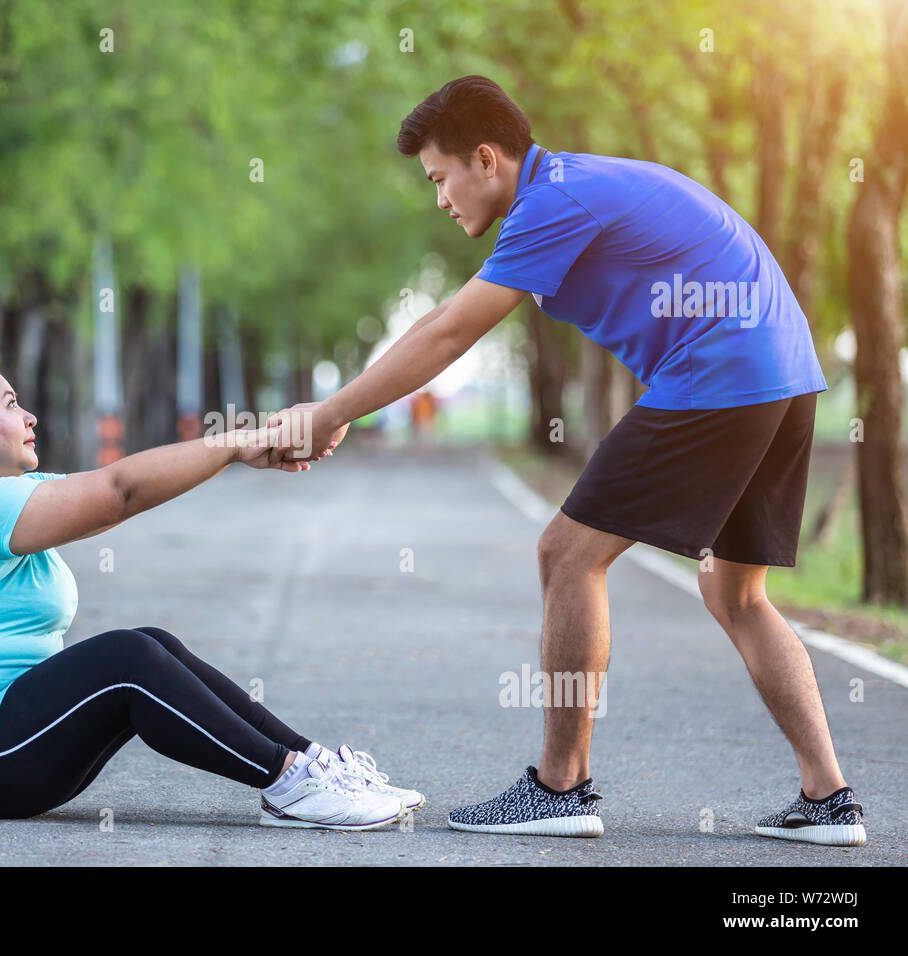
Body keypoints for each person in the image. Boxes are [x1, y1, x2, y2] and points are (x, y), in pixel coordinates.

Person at [267, 75, 865, 846]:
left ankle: (560, 788)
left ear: (487, 159)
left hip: (724, 369)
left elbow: (449, 332)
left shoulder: (552, 200)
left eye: (440, 179)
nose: (440, 200)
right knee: (735, 592)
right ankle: (829, 799)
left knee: (567, 553)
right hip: (785, 371)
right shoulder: (572, 187)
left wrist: (329, 411)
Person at [0, 354, 424, 830]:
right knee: (125, 659)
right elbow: (120, 491)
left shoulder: (1, 501)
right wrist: (239, 443)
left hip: (0, 748)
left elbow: (118, 492)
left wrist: (238, 453)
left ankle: (313, 765)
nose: (29, 416)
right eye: (11, 403)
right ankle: (290, 783)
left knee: (149, 641)